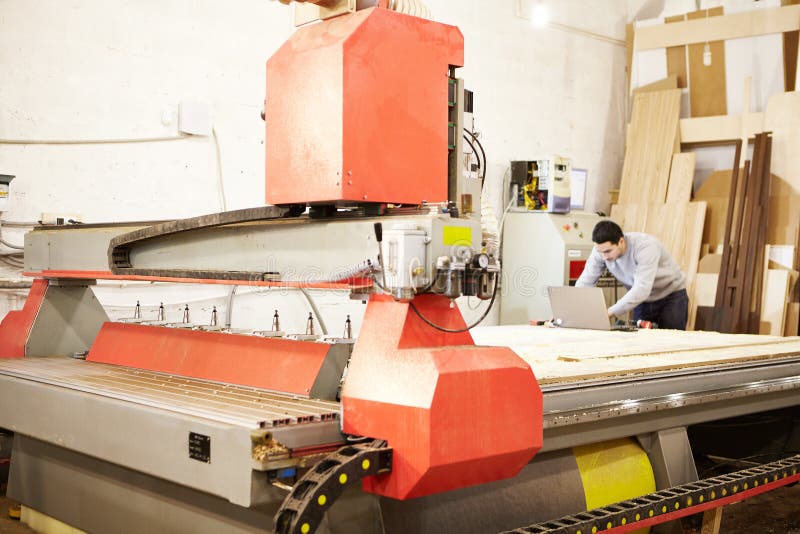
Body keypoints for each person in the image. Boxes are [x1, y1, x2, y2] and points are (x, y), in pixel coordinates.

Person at [575, 220, 688, 330]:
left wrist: (608, 313)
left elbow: (642, 289)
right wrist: (574, 307)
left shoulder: (645, 247)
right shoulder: (600, 251)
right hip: (643, 300)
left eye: (608, 251)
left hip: (671, 296)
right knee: (639, 343)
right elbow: (585, 282)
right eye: (600, 252)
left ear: (621, 241)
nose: (604, 257)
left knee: (671, 340)